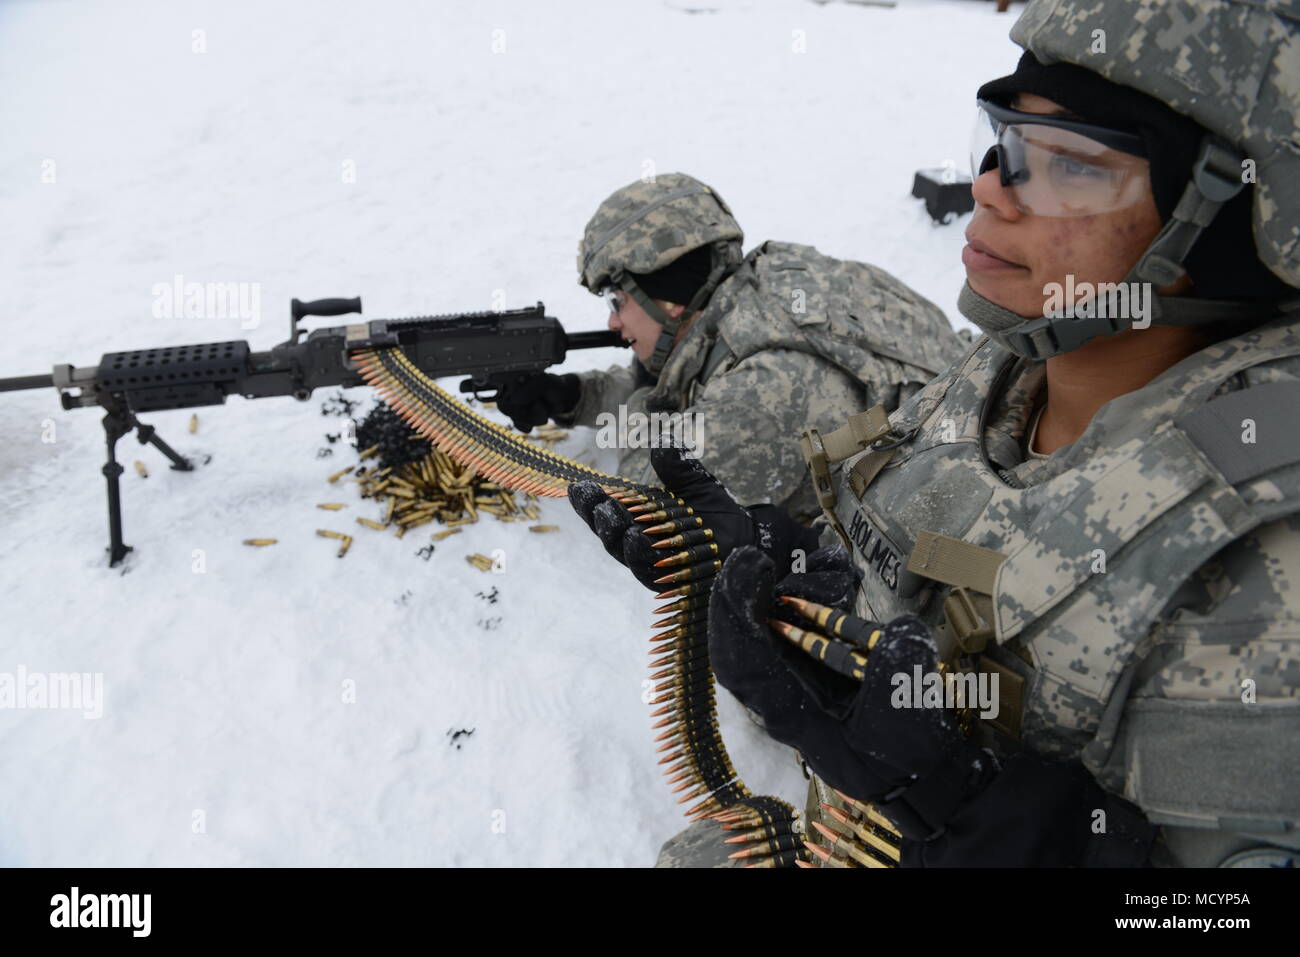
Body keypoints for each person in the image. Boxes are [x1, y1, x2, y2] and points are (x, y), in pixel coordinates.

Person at [573, 0, 1300, 867]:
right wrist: (788, 567)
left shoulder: (1263, 557)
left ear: (1221, 220)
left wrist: (979, 812)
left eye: (1068, 165)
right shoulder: (1001, 375)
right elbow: (944, 568)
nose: (991, 186)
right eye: (1000, 142)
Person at [495, 173, 966, 522]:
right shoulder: (763, 284)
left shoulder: (766, 392)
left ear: (670, 303)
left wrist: (639, 395)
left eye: (618, 301)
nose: (613, 322)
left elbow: (649, 499)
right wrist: (580, 397)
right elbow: (693, 388)